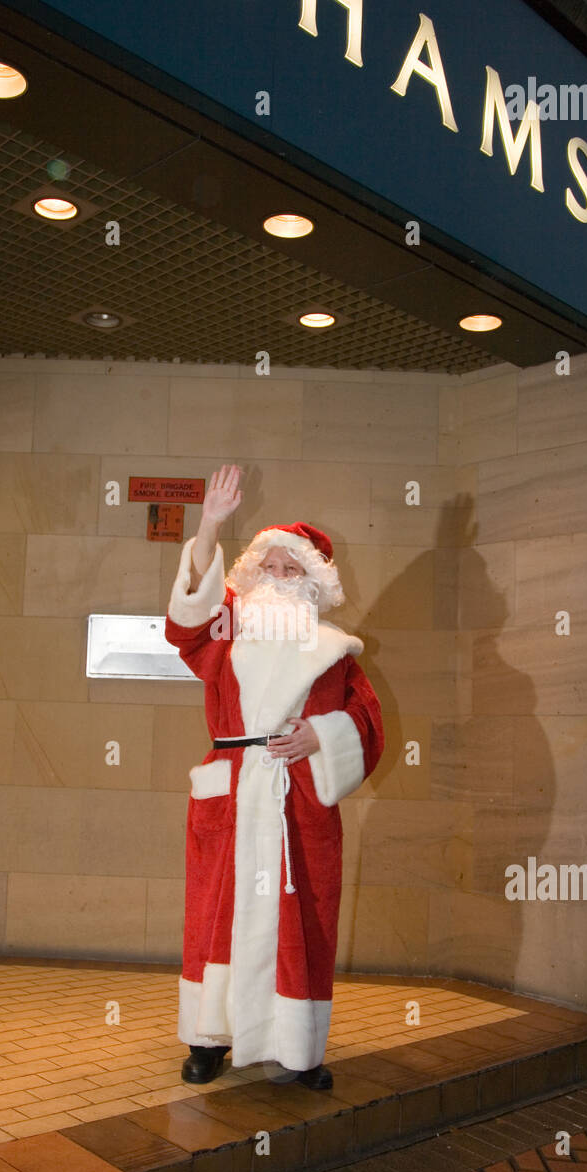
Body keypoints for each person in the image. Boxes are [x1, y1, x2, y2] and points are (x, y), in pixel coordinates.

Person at [164, 464, 384, 1089]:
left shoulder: (336, 650)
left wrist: (324, 735)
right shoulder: (227, 634)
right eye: (270, 568)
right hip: (231, 795)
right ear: (251, 575)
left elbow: (367, 722)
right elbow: (186, 621)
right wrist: (209, 525)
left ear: (314, 585)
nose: (281, 579)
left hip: (301, 803)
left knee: (303, 922)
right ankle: (209, 1039)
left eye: (294, 571)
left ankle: (297, 1048)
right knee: (214, 915)